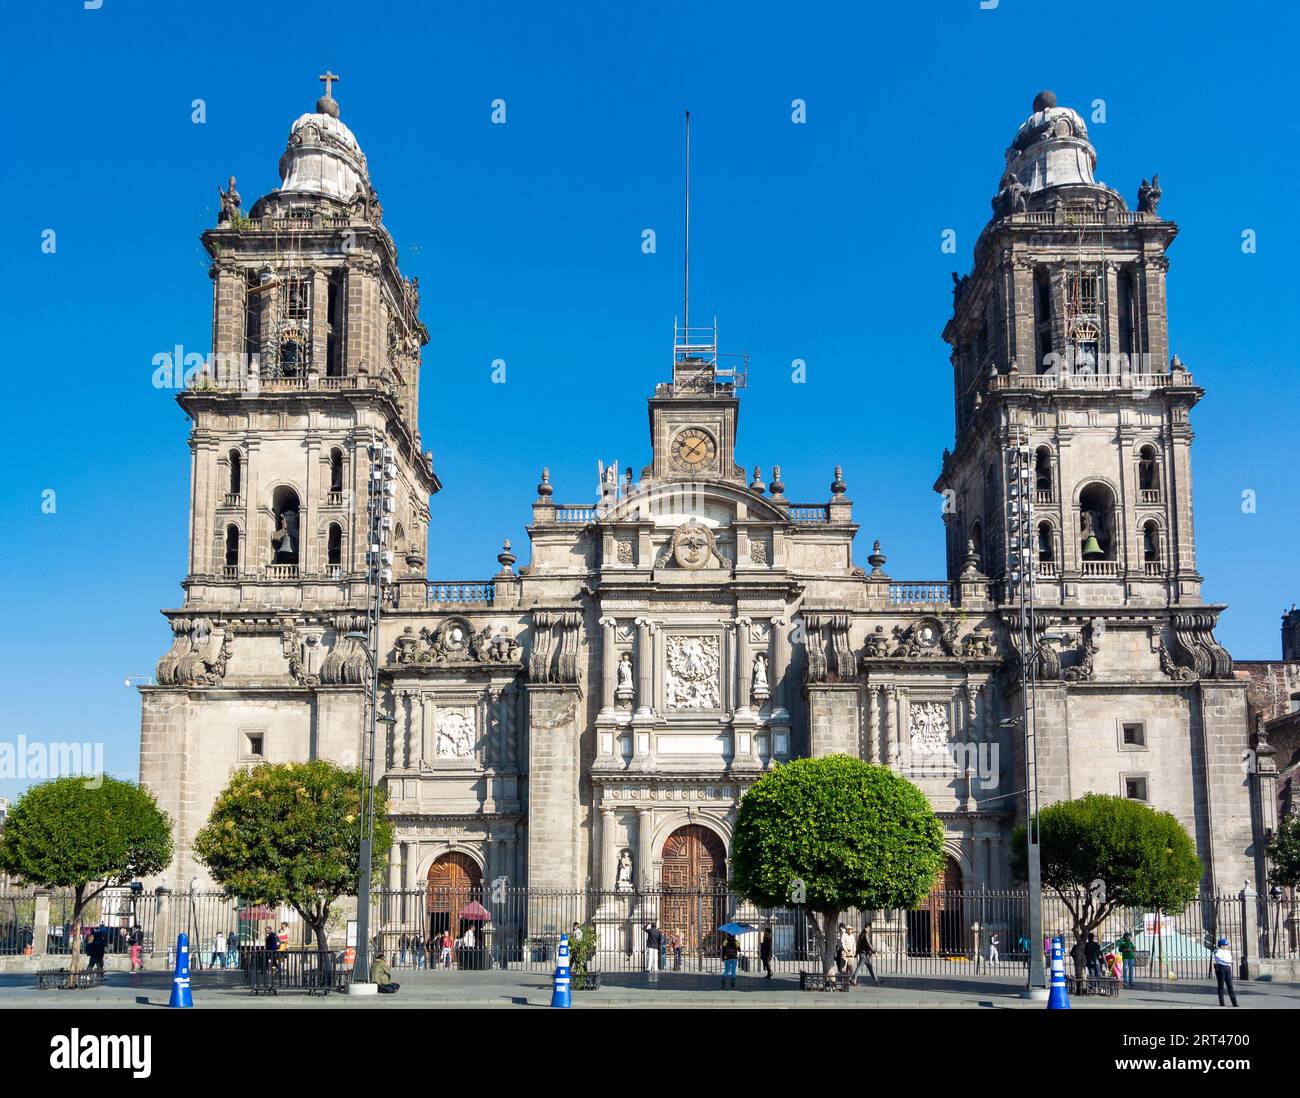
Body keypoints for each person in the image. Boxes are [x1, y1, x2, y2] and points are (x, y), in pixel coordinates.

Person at [1212, 937, 1239, 1007]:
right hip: (1221, 968)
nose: (1227, 946)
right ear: (1222, 946)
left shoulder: (1228, 952)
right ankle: (1222, 1002)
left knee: (1230, 986)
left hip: (1227, 968)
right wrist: (1231, 962)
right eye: (1226, 945)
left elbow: (1229, 958)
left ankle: (1234, 1002)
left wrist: (1232, 961)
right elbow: (1222, 959)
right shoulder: (1217, 952)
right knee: (1221, 986)